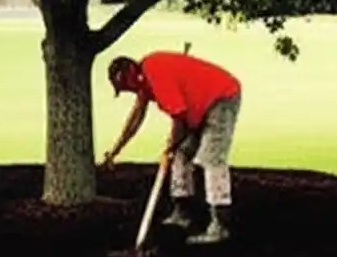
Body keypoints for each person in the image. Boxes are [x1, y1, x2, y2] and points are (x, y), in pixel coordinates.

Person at [100, 50, 242, 244]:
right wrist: (115, 151)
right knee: (180, 156)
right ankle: (182, 214)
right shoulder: (144, 80)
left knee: (211, 159)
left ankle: (220, 226)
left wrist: (170, 147)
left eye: (128, 86)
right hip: (196, 109)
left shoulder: (156, 74)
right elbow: (135, 118)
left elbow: (179, 118)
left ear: (132, 71)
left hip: (220, 96)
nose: (132, 92)